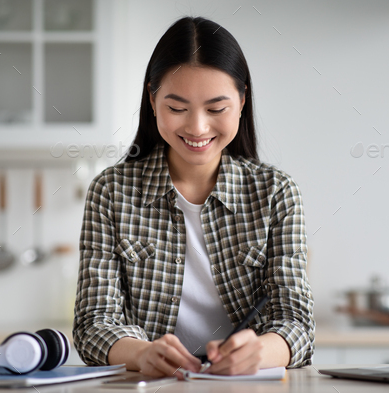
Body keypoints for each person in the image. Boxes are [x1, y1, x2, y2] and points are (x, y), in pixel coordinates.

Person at [72, 16, 315, 379]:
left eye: (216, 109)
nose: (197, 127)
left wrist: (260, 351)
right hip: (151, 383)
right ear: (152, 100)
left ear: (243, 101)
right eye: (177, 108)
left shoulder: (276, 192)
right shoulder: (111, 191)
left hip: (246, 384)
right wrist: (142, 353)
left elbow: (296, 321)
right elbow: (93, 323)